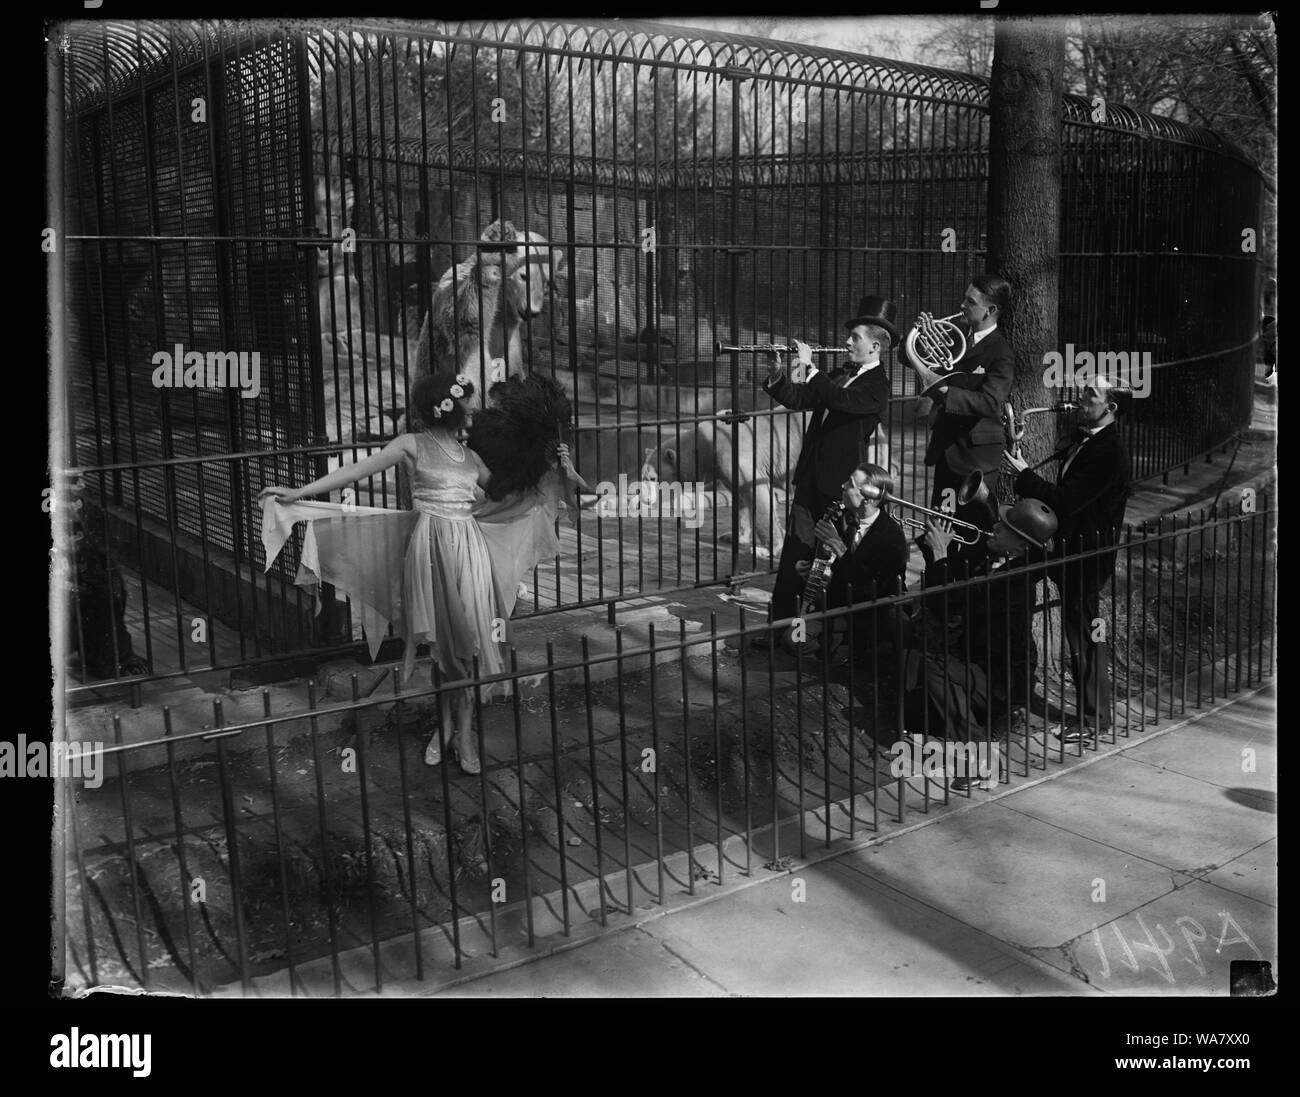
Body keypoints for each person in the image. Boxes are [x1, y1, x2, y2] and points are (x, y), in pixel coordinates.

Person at [259, 372, 577, 774]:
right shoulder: (411, 445)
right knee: (445, 648)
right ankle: (454, 732)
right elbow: (356, 471)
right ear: (448, 407)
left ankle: (455, 731)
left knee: (471, 647)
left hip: (471, 553)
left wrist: (552, 465)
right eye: (467, 402)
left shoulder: (471, 457)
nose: (474, 410)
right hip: (430, 553)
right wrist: (299, 493)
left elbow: (507, 492)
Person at [757, 295, 899, 652]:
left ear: (876, 345)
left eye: (855, 337)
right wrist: (777, 375)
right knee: (794, 554)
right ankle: (779, 629)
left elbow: (839, 401)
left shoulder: (877, 386)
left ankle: (820, 637)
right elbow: (802, 398)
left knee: (824, 562)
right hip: (810, 480)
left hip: (842, 486)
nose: (848, 342)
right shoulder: (840, 375)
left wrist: (812, 368)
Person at [1002, 377, 1131, 743]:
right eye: (1084, 389)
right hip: (1067, 548)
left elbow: (1067, 500)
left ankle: (1094, 719)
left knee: (1085, 635)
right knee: (1078, 630)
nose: (1082, 397)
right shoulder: (1083, 438)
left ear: (1111, 407)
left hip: (1086, 556)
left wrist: (1025, 476)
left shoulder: (1109, 451)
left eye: (1092, 393)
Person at [904, 499, 1059, 791]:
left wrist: (940, 552)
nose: (996, 527)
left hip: (1002, 678)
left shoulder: (1012, 581)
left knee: (930, 667)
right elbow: (956, 581)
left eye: (1006, 528)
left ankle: (982, 758)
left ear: (1021, 547)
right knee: (915, 687)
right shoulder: (1002, 562)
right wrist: (937, 543)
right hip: (981, 665)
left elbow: (948, 602)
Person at [906, 275, 1015, 515]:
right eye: (964, 299)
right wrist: (921, 335)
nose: (962, 305)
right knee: (942, 524)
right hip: (947, 452)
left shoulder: (1001, 353)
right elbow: (907, 358)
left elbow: (989, 403)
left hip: (976, 461)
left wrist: (945, 391)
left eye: (971, 301)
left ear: (991, 310)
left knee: (973, 529)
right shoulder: (956, 338)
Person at [793, 462, 910, 659]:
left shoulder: (891, 536)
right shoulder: (844, 519)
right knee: (793, 640)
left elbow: (869, 587)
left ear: (868, 498)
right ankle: (843, 647)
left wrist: (839, 547)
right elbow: (826, 561)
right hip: (839, 606)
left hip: (871, 612)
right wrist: (808, 566)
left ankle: (851, 649)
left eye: (850, 484)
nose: (842, 486)